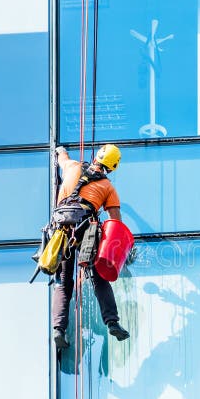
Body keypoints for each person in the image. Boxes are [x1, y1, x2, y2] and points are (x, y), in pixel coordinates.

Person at [52, 144, 130, 350]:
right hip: (86, 231)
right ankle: (112, 321)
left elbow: (62, 158)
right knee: (99, 279)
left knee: (63, 283)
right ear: (112, 167)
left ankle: (58, 329)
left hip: (61, 231)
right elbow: (116, 223)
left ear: (96, 157)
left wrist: (60, 150)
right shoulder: (108, 187)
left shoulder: (72, 166)